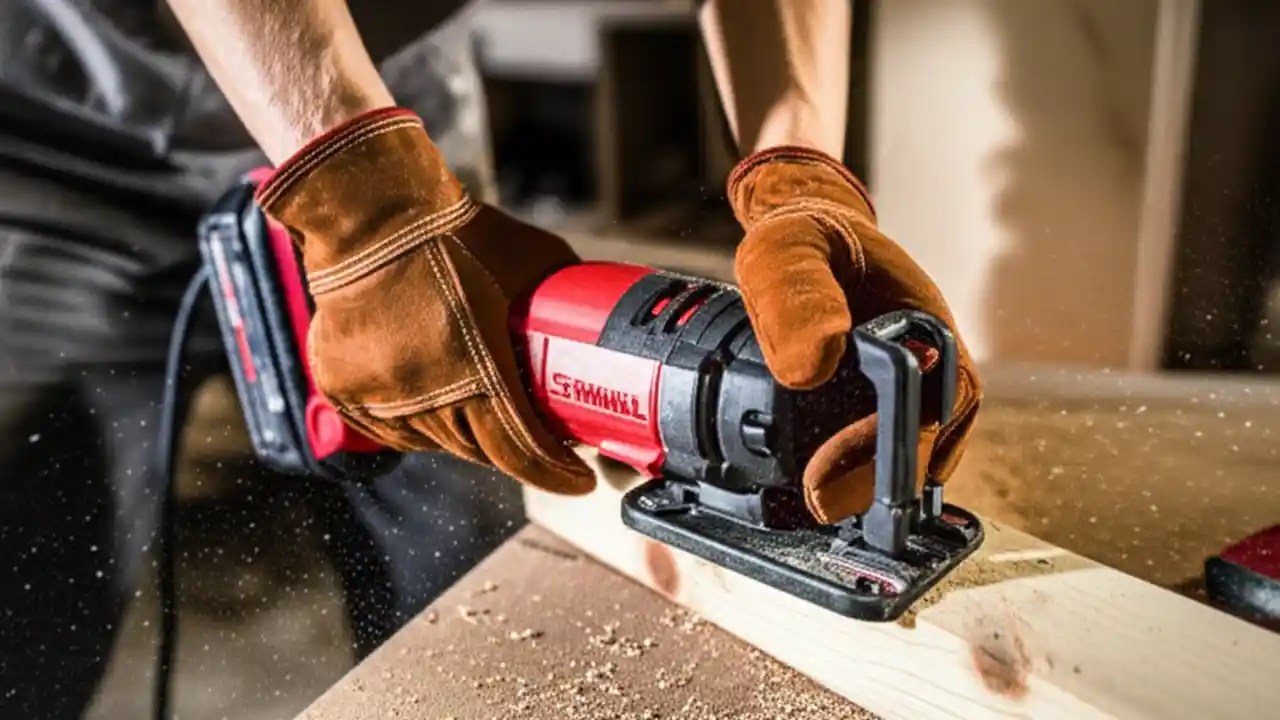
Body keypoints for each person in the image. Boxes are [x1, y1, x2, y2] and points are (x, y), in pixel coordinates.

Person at [0, 0, 981, 717]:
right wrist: (360, 196)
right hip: (67, 130)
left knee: (481, 580)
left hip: (392, 100)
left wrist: (798, 167)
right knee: (27, 592)